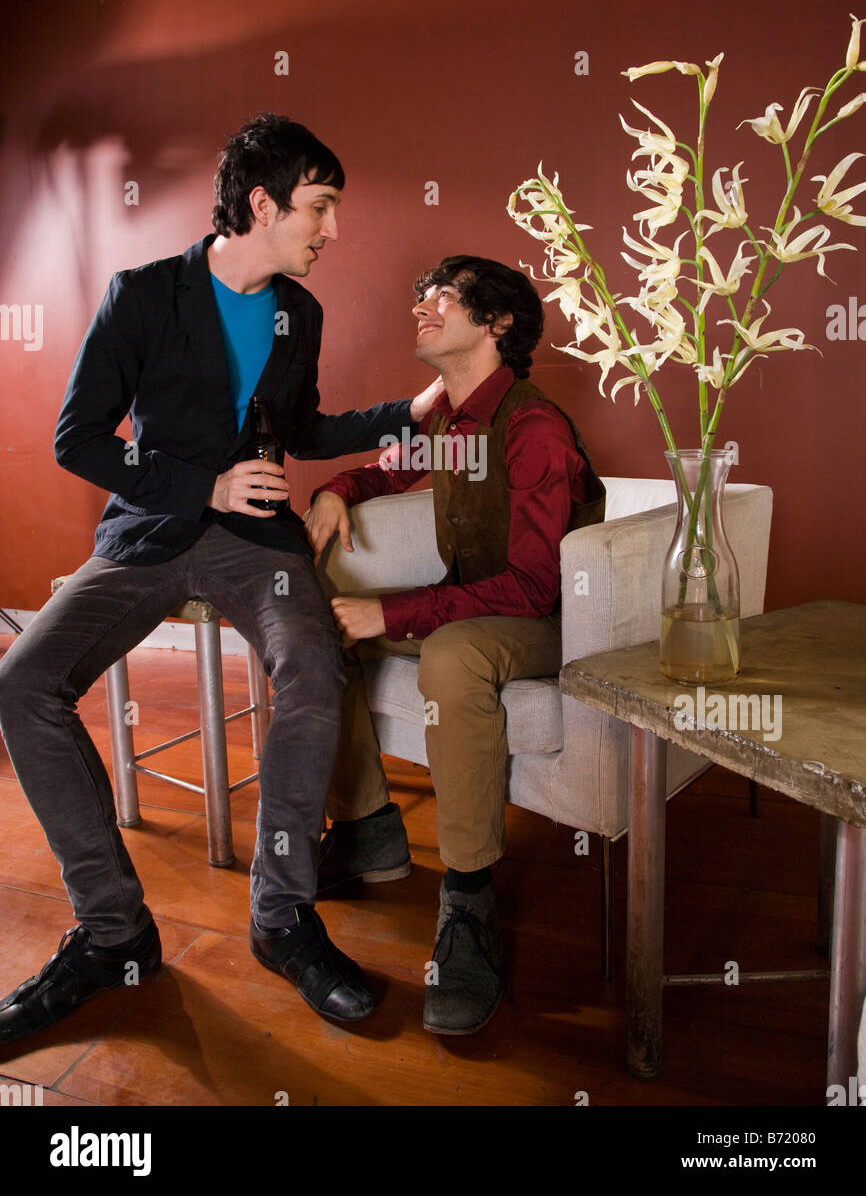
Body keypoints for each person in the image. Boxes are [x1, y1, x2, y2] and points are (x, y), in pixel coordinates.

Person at [0, 113, 441, 1041]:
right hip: (151, 532)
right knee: (23, 684)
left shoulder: (300, 314)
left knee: (315, 676)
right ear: (262, 203)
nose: (331, 230)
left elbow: (308, 429)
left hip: (258, 543)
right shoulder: (142, 296)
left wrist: (413, 409)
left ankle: (280, 920)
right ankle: (113, 931)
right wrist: (200, 482)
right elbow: (77, 438)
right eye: (319, 208)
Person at [305, 255, 605, 1035]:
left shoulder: (533, 427)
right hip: (474, 609)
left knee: (450, 653)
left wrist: (394, 614)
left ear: (498, 322)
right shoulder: (449, 422)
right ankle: (368, 828)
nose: (422, 309)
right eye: (421, 297)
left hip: (552, 627)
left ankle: (468, 904)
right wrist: (335, 490)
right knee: (321, 630)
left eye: (444, 297)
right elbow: (382, 471)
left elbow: (538, 591)